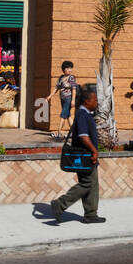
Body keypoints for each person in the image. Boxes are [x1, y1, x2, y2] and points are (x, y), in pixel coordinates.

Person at [50, 86, 106, 223]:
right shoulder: (82, 115)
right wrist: (94, 150)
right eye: (95, 100)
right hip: (86, 156)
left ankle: (91, 214)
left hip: (87, 156)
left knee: (92, 184)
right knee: (88, 183)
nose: (97, 102)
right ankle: (61, 203)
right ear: (87, 102)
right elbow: (83, 136)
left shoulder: (85, 114)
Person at [52, 61, 77, 140]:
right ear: (63, 69)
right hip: (62, 99)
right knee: (68, 115)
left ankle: (59, 132)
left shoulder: (71, 78)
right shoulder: (61, 78)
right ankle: (74, 132)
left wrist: (73, 100)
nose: (69, 70)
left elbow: (74, 89)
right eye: (67, 68)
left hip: (68, 98)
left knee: (63, 115)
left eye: (71, 68)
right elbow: (56, 88)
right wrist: (50, 96)